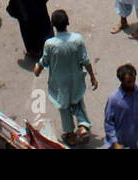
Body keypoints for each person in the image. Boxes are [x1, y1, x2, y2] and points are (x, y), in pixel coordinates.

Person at [34, 9, 98, 146]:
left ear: (53, 25)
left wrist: (38, 68)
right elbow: (86, 61)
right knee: (78, 102)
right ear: (67, 22)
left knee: (64, 107)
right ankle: (83, 125)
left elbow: (44, 61)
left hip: (59, 84)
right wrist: (93, 77)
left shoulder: (50, 44)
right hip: (76, 80)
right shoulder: (77, 39)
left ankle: (70, 135)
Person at [104, 63, 138, 149]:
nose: (132, 84)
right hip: (124, 144)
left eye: (134, 80)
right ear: (122, 81)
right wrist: (114, 143)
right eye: (129, 82)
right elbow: (108, 123)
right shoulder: (113, 99)